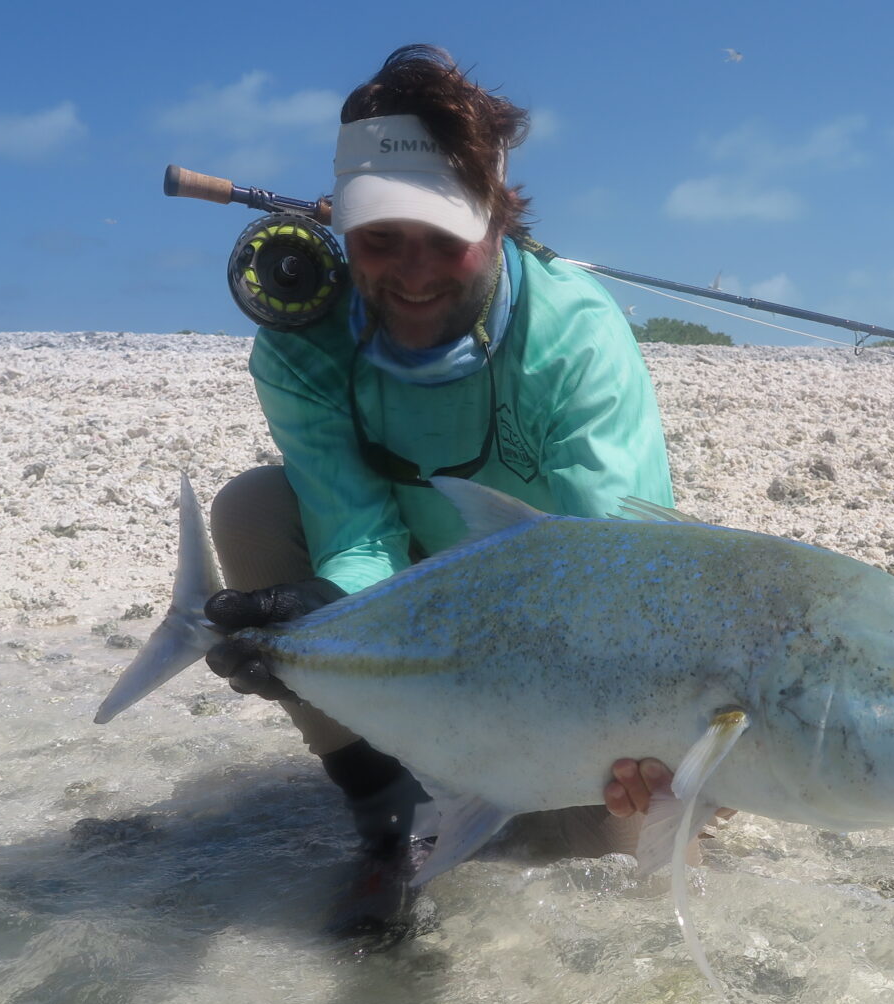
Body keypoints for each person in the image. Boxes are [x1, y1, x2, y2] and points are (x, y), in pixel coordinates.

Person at [201, 44, 693, 937]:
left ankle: (543, 778)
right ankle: (387, 814)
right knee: (252, 509)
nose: (413, 271)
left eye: (444, 240)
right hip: (415, 586)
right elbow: (355, 536)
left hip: (563, 616)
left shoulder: (575, 336)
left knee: (606, 850)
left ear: (498, 223)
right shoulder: (303, 343)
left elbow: (617, 578)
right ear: (341, 230)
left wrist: (646, 738)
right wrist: (323, 615)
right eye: (380, 240)